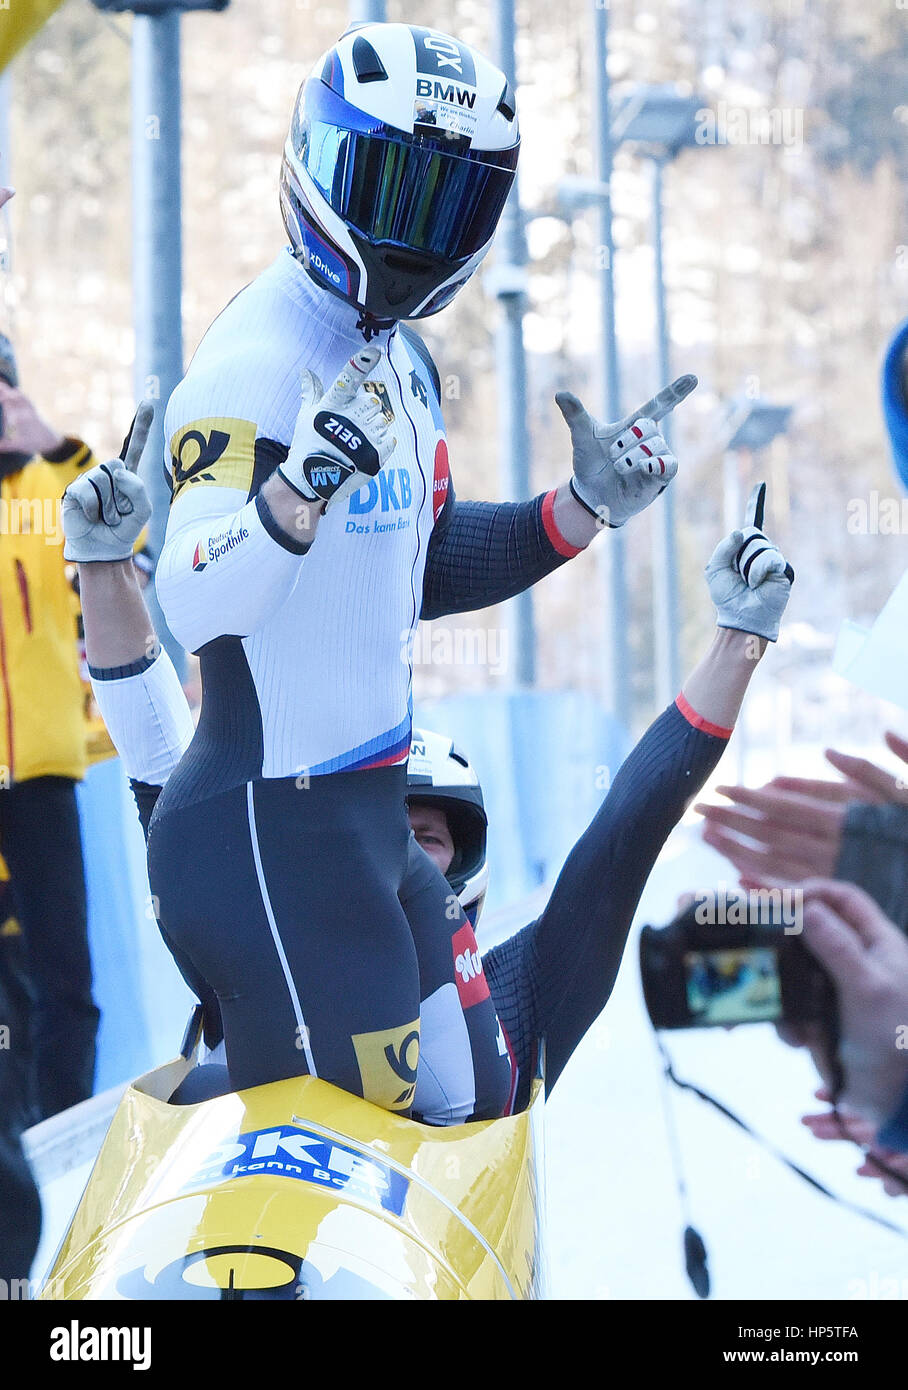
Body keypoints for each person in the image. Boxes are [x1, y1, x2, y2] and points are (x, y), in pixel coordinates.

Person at [143, 21, 697, 1123]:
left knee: (478, 1100)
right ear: (314, 160)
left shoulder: (402, 358)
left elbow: (413, 561)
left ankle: (198, 1112)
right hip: (265, 832)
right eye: (384, 186)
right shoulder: (254, 364)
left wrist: (576, 512)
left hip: (364, 821)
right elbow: (192, 596)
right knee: (379, 1127)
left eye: (444, 203)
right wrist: (295, 491)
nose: (409, 234)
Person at [64, 400, 795, 1116]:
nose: (379, 850)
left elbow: (629, 827)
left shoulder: (526, 993)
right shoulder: (247, 918)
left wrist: (740, 640)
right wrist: (103, 565)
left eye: (422, 838)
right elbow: (162, 767)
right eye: (371, 824)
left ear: (465, 875)